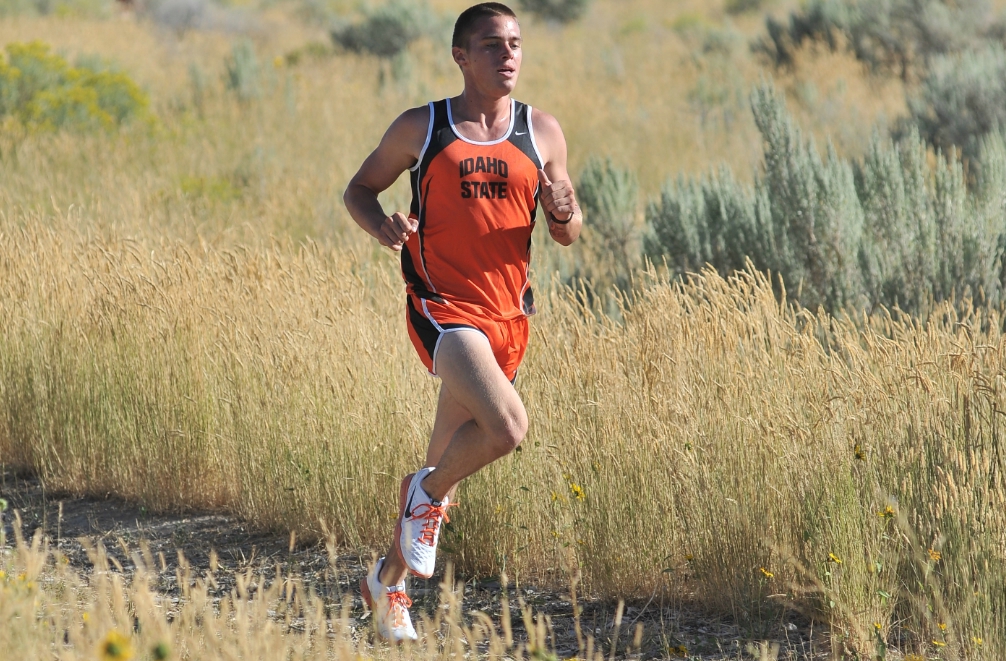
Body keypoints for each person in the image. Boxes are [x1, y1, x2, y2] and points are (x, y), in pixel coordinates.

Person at [343, 1, 582, 642]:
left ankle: (387, 584)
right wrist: (383, 227)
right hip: (442, 311)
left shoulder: (543, 131)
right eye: (491, 45)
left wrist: (564, 211)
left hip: (510, 319)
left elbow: (566, 231)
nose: (508, 55)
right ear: (461, 57)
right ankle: (423, 493)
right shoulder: (423, 127)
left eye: (515, 43)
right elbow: (359, 190)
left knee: (446, 466)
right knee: (507, 427)